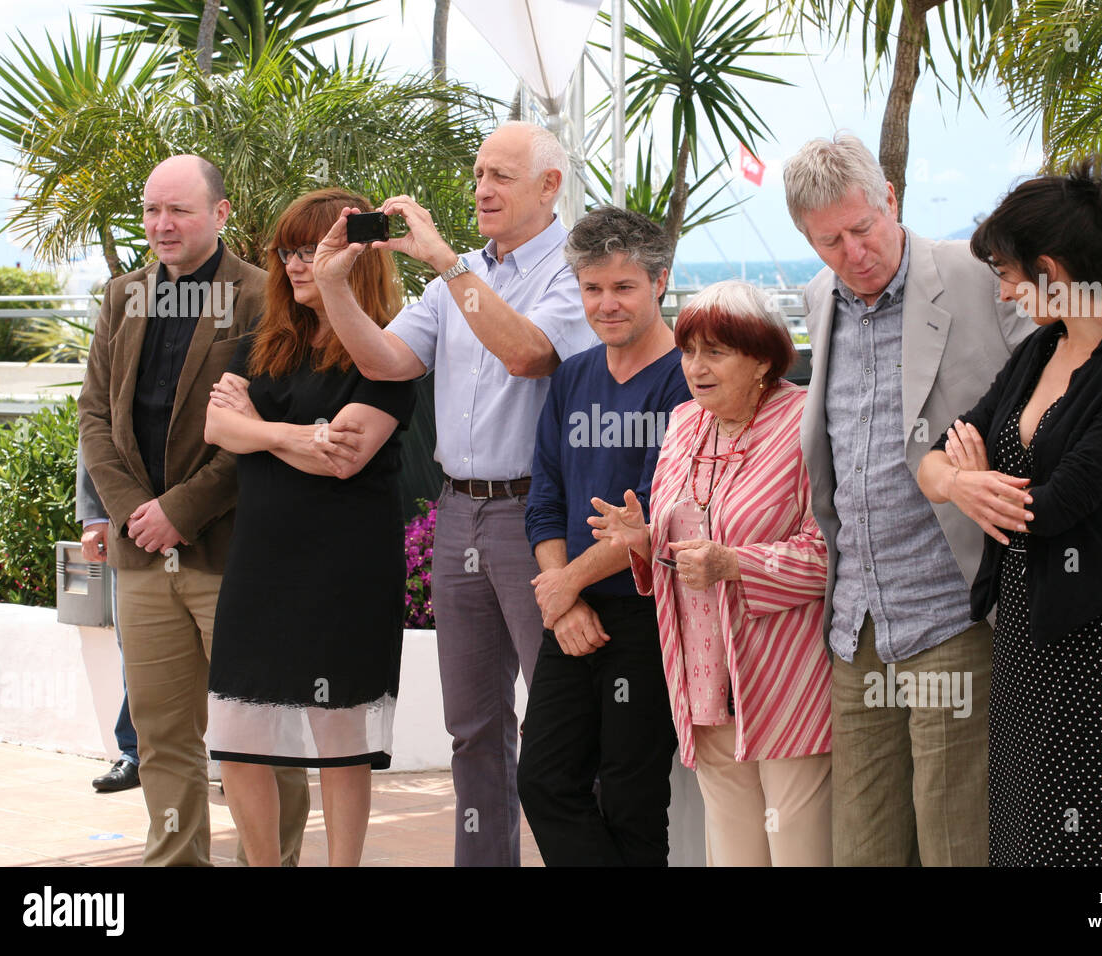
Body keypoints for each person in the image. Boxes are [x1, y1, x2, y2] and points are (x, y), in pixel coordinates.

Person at [786, 132, 1102, 866]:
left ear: (890, 202)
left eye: (862, 229)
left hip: (960, 614)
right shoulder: (819, 299)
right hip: (858, 625)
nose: (851, 253)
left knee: (966, 842)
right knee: (868, 850)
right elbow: (925, 454)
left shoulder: (975, 278)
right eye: (829, 241)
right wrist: (951, 473)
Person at [312, 122, 599, 866]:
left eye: (501, 175)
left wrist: (445, 265)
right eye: (478, 173)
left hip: (541, 517)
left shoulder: (576, 271)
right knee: (472, 725)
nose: (481, 189)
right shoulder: (461, 274)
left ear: (549, 186)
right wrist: (336, 285)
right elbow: (387, 360)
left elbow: (531, 354)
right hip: (459, 511)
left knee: (566, 721)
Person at [917, 163, 1102, 865]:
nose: (1000, 291)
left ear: (1051, 271)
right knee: (1026, 840)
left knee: (1100, 845)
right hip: (1026, 636)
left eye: (1007, 275)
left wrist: (973, 481)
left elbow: (1053, 509)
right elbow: (935, 460)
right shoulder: (1038, 351)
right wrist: (960, 484)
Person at [77, 155, 309, 866]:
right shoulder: (122, 296)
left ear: (221, 213)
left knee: (257, 735)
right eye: (151, 210)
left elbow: (269, 426)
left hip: (234, 551)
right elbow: (93, 417)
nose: (161, 224)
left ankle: (271, 862)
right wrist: (130, 512)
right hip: (141, 555)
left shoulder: (261, 297)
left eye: (178, 210)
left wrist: (180, 509)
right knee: (161, 735)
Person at [203, 187, 415, 867]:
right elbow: (216, 426)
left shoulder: (389, 352)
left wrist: (257, 433)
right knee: (237, 734)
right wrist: (294, 435)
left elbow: (345, 458)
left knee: (341, 741)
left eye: (312, 249)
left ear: (356, 257)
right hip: (261, 559)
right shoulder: (262, 344)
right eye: (289, 250)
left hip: (345, 568)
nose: (297, 264)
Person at [591, 280, 831, 866]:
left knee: (798, 846)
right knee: (732, 850)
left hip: (784, 677)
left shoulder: (804, 422)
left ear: (763, 360)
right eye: (688, 350)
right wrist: (644, 542)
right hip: (700, 673)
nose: (695, 367)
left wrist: (735, 565)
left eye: (715, 352)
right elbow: (684, 537)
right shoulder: (682, 423)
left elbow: (832, 553)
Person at [517, 206, 688, 866]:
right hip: (573, 611)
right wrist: (563, 598)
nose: (606, 304)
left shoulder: (685, 379)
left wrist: (563, 586)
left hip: (650, 613)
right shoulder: (574, 375)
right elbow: (546, 498)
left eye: (623, 287)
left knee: (630, 795)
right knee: (544, 779)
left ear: (660, 282)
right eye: (592, 288)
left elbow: (653, 516)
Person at [76, 448, 139, 793]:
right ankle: (135, 753)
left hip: (212, 521)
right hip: (128, 524)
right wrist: (93, 516)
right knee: (133, 644)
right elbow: (93, 426)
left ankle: (226, 753)